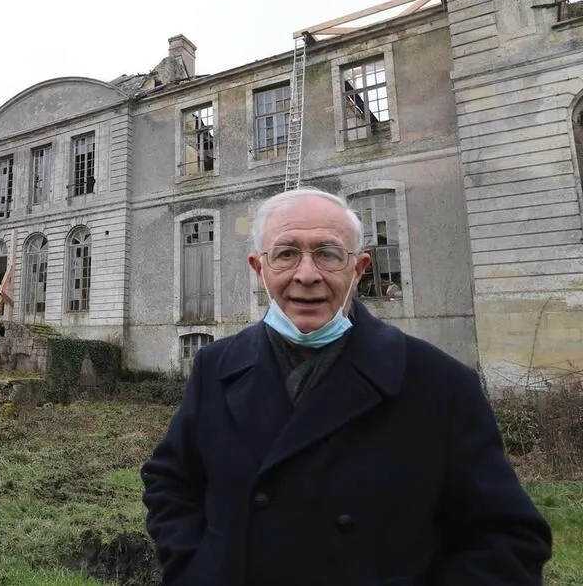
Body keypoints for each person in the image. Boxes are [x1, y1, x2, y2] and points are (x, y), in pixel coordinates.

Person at [141, 187, 552, 585]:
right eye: (286, 254)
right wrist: (195, 569)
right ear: (258, 269)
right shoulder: (215, 365)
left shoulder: (441, 383)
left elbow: (506, 540)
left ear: (358, 269)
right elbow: (170, 480)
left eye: (328, 254)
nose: (307, 275)